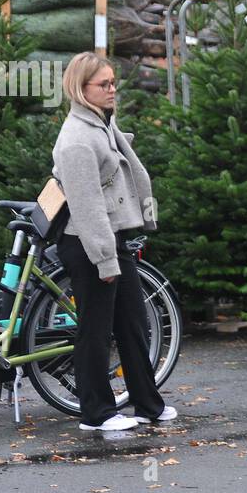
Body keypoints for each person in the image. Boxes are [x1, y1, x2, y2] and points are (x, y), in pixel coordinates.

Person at [52, 52, 177, 432]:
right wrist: (105, 260)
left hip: (112, 235)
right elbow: (87, 206)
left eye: (113, 83)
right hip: (88, 243)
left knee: (133, 323)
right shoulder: (76, 139)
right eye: (103, 84)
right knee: (95, 330)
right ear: (81, 88)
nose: (112, 90)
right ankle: (97, 414)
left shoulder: (102, 123)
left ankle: (147, 404)